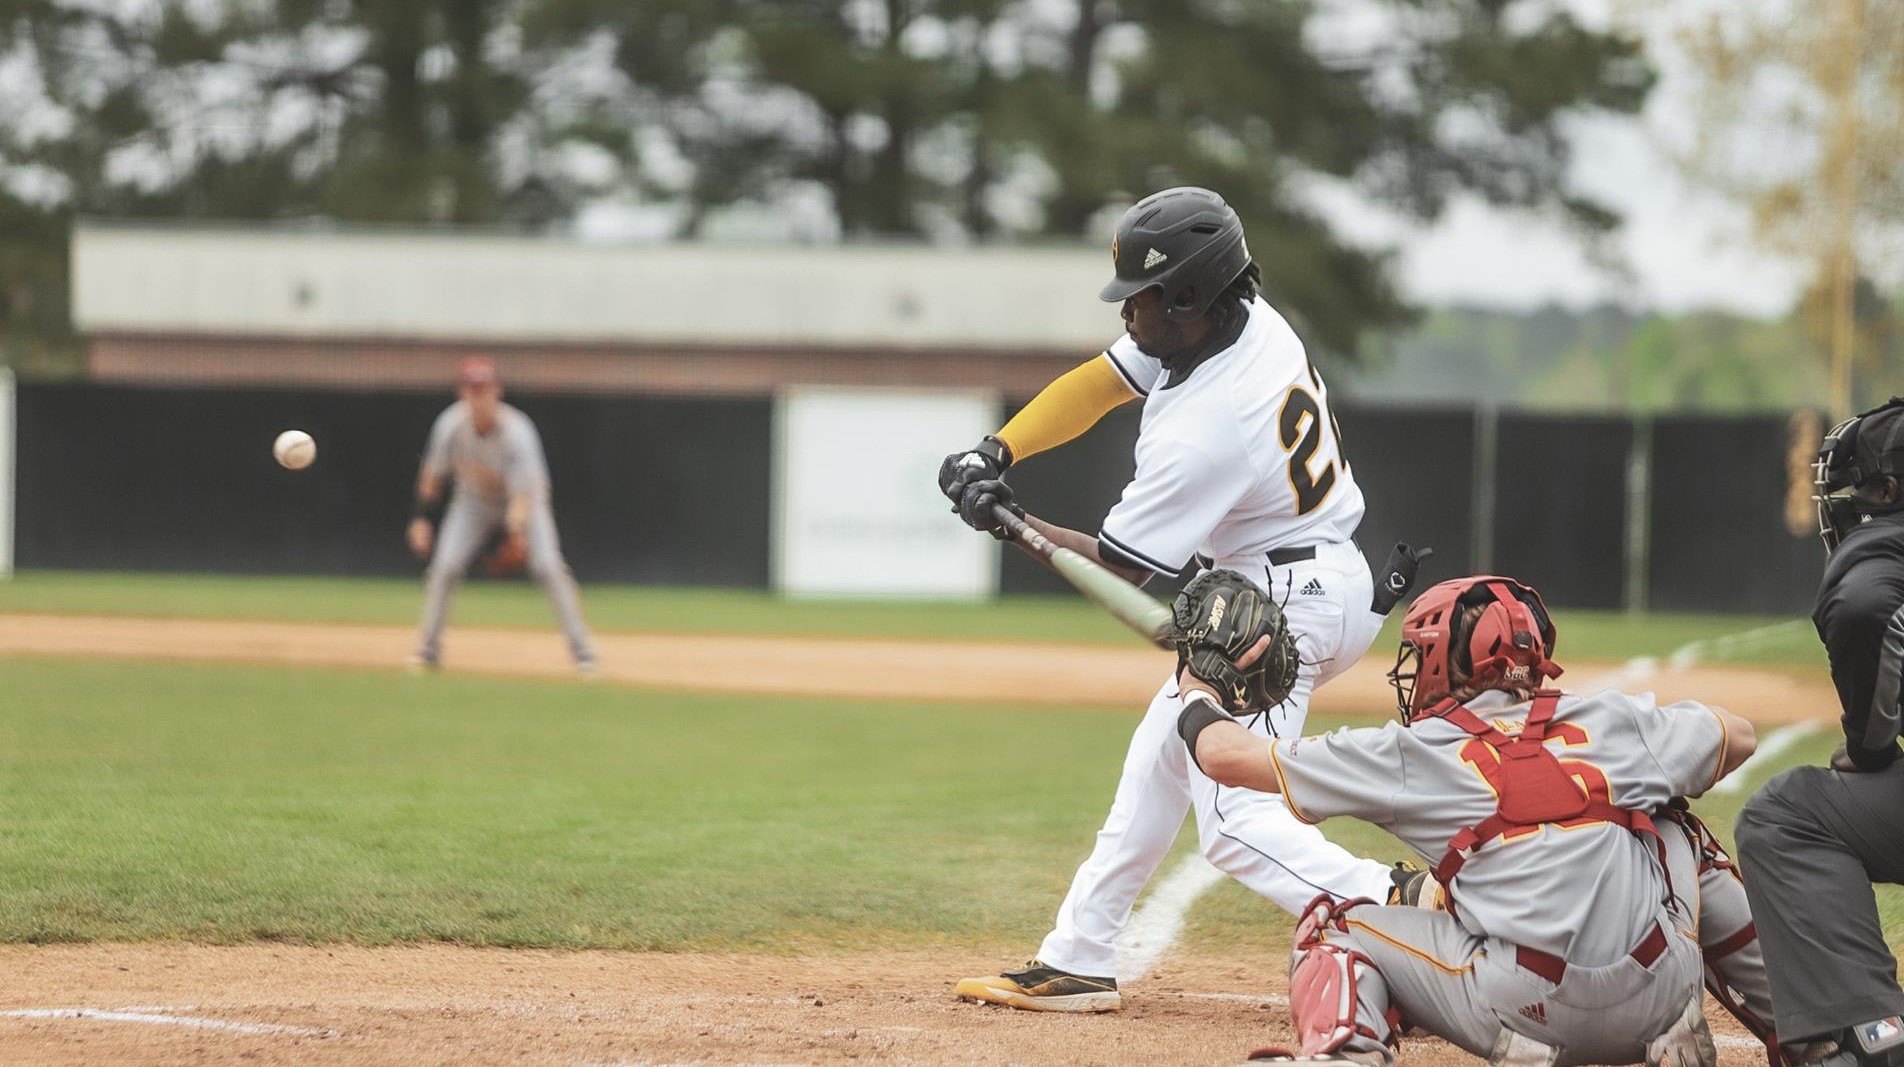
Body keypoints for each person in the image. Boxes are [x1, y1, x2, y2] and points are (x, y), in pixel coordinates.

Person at [941, 187, 1425, 1013]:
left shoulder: (1209, 423)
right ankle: (1081, 953)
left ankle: (1404, 910)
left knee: (1234, 825)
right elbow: (1099, 383)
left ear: (1192, 296)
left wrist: (1011, 521)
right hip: (1301, 575)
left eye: (1142, 295)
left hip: (1275, 607)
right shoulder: (1235, 320)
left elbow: (1127, 571)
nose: (1128, 311)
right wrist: (1000, 450)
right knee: (1158, 763)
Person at [1175, 573, 1760, 1067]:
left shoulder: (1414, 750)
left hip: (1527, 1011)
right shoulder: (1609, 717)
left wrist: (1197, 681)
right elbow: (1739, 734)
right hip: (1662, 995)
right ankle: (1815, 1036)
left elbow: (1226, 757)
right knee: (1672, 825)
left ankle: (1342, 1056)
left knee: (1333, 927)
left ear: (1445, 659)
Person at [1735, 397, 1904, 1067]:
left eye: (1861, 483)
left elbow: (1866, 608)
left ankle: (1871, 1036)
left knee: (1785, 816)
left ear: (1889, 490)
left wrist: (1869, 744)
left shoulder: (1877, 554)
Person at [406, 356, 597, 676]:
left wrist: (516, 532)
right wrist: (420, 519)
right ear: (462, 393)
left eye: (484, 388)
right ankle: (428, 650)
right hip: (474, 503)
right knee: (445, 567)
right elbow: (431, 476)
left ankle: (583, 652)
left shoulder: (518, 432)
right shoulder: (450, 426)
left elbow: (524, 494)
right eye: (472, 389)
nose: (478, 396)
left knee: (548, 566)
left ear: (497, 391)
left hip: (523, 504)